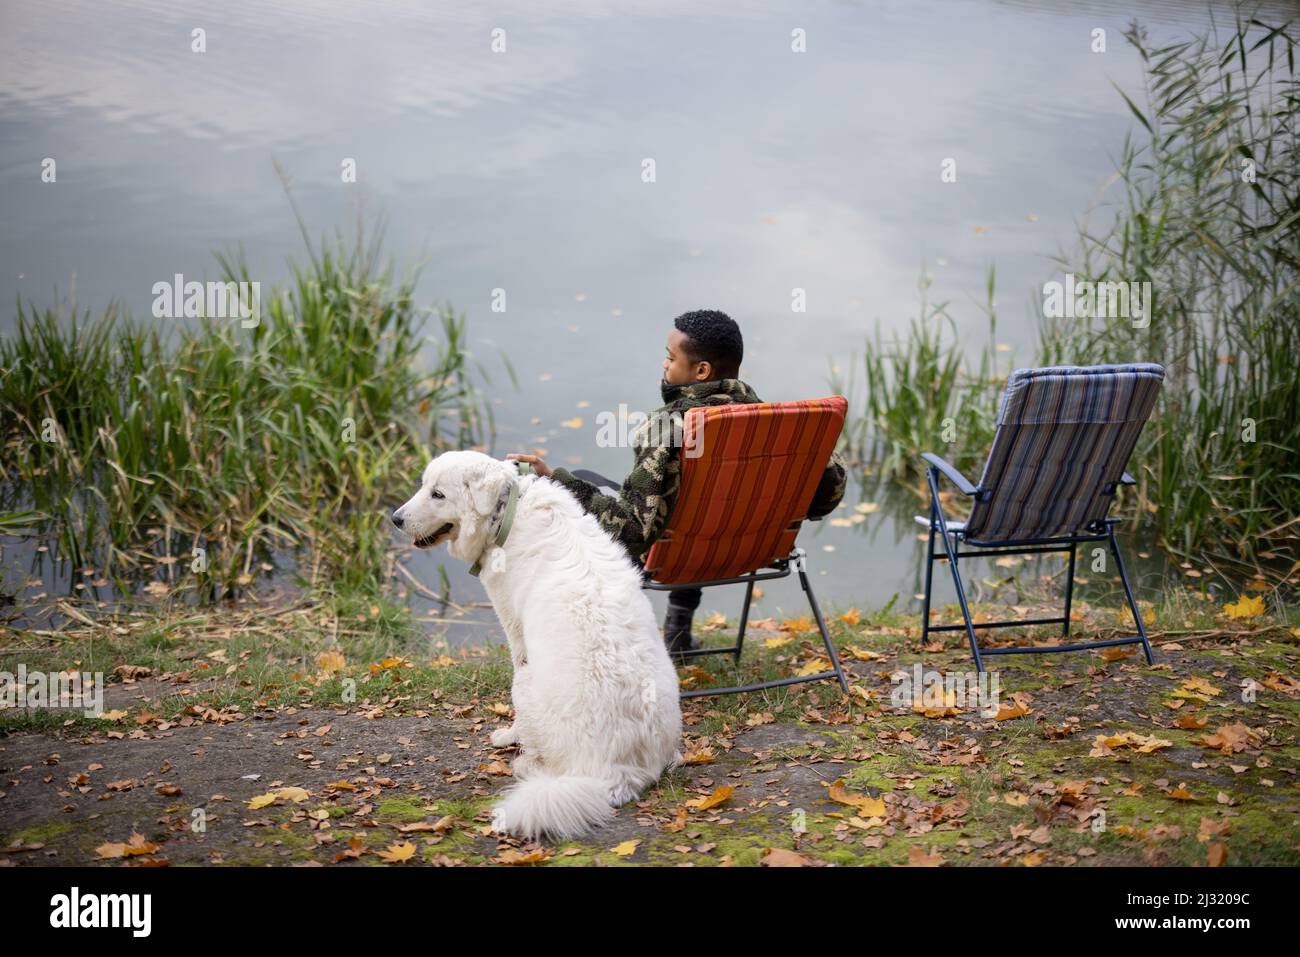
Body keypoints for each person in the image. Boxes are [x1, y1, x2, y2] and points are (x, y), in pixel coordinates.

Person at [507, 309, 846, 660]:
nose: (664, 366)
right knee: (711, 502)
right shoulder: (784, 424)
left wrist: (557, 481)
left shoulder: (669, 428)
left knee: (588, 483)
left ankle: (584, 645)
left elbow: (634, 532)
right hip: (756, 551)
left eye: (670, 358)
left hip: (680, 559)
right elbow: (826, 498)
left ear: (701, 371)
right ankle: (679, 631)